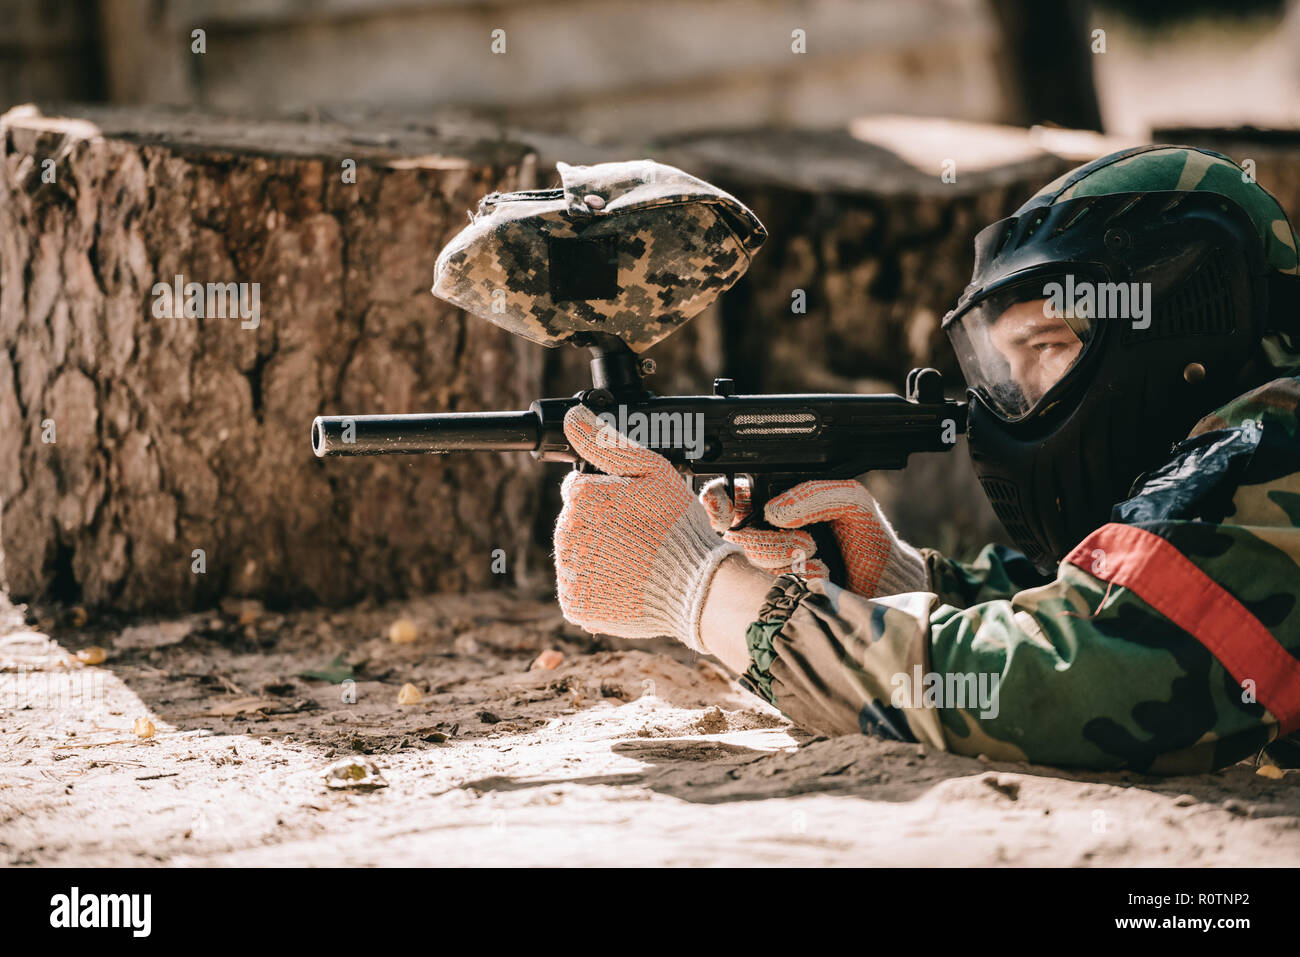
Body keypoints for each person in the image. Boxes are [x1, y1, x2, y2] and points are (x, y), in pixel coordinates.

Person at [552, 146, 1300, 774]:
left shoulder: (1277, 443)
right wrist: (904, 582)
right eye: (1007, 362)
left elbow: (1075, 682)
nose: (1019, 395)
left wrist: (702, 591)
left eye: (1048, 345)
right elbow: (1114, 603)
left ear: (1184, 318)